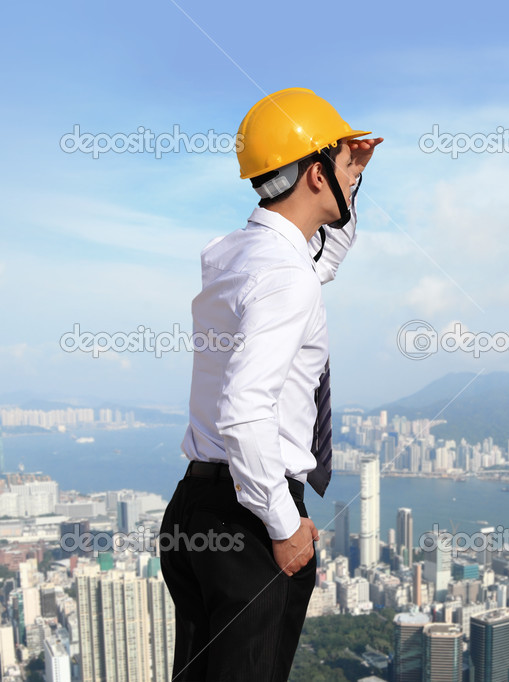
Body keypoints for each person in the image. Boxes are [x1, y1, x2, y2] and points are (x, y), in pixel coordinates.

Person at [160, 87, 383, 681]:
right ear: (316, 175)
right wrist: (283, 526)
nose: (352, 174)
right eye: (344, 165)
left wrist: (352, 179)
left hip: (196, 508)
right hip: (249, 520)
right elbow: (244, 411)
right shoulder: (285, 276)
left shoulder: (236, 256)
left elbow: (319, 264)